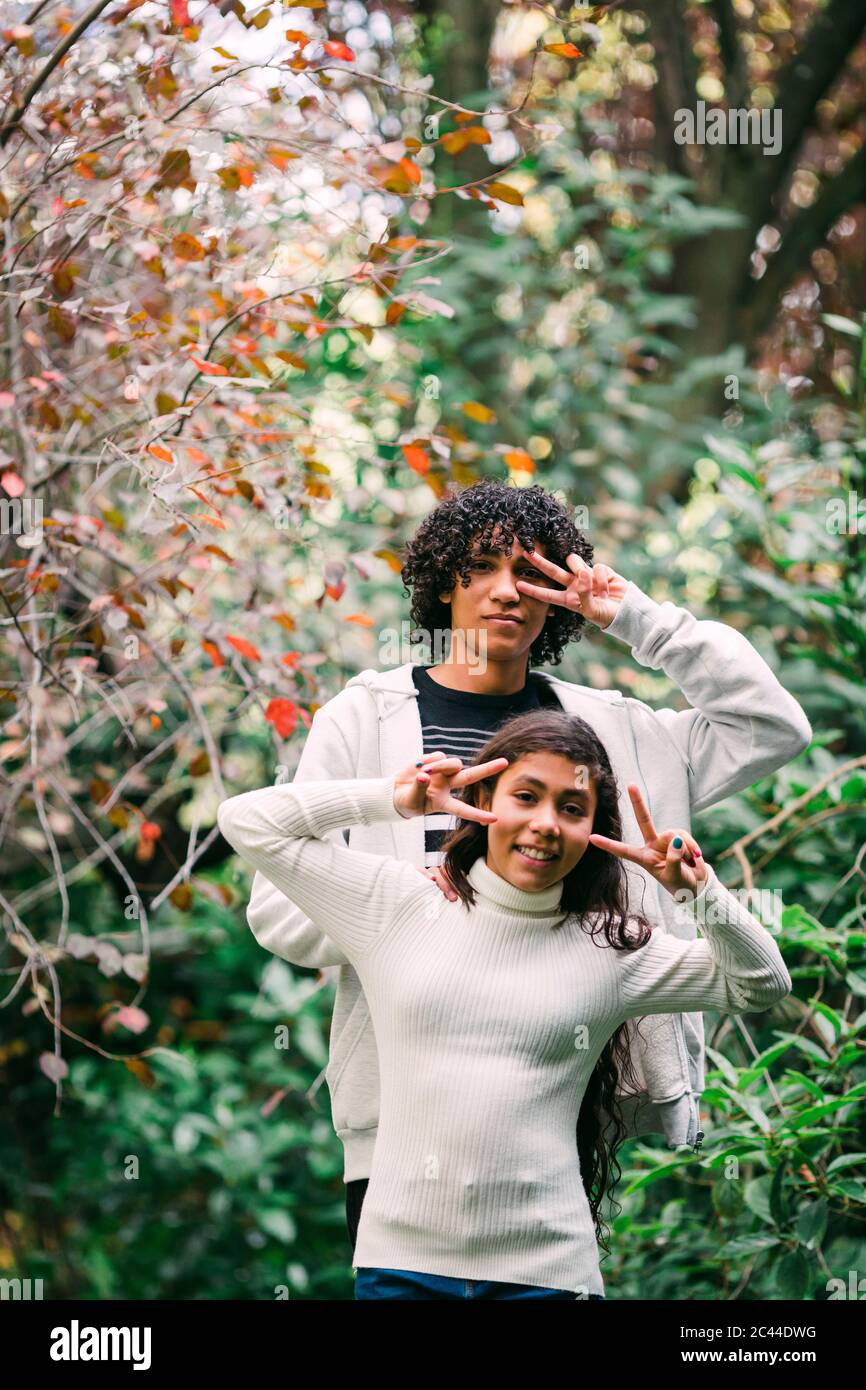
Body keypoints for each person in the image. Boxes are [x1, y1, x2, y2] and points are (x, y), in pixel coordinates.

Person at [242, 481, 812, 1256]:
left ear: (557, 598)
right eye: (482, 567)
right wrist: (419, 916)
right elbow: (276, 909)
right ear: (445, 581)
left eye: (533, 572)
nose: (507, 590)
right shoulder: (367, 718)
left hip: (559, 1102)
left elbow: (772, 728)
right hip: (401, 1116)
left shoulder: (612, 731)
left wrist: (636, 617)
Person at [217, 710, 792, 1300]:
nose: (545, 824)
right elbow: (245, 821)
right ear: (483, 798)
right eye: (526, 796)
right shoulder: (397, 903)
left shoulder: (613, 947)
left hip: (548, 1279)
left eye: (572, 808)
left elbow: (761, 982)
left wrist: (698, 893)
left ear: (595, 828)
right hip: (400, 1269)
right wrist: (396, 797)